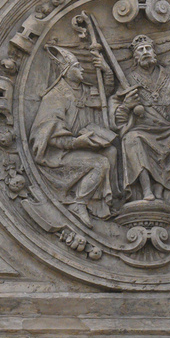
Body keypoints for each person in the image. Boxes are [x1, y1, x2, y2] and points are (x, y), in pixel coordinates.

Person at [30, 46, 117, 226]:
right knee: (101, 163)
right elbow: (49, 137)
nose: (82, 69)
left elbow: (105, 93)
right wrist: (78, 143)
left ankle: (100, 203)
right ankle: (79, 203)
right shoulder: (54, 97)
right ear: (65, 71)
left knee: (112, 152)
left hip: (82, 143)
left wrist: (106, 70)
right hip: (59, 154)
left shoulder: (85, 90)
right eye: (77, 66)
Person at [111, 34, 170, 204]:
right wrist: (127, 105)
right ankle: (146, 188)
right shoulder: (129, 80)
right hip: (142, 129)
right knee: (131, 139)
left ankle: (161, 186)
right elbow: (118, 110)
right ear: (135, 57)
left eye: (148, 49)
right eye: (141, 50)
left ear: (154, 53)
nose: (145, 52)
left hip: (168, 128)